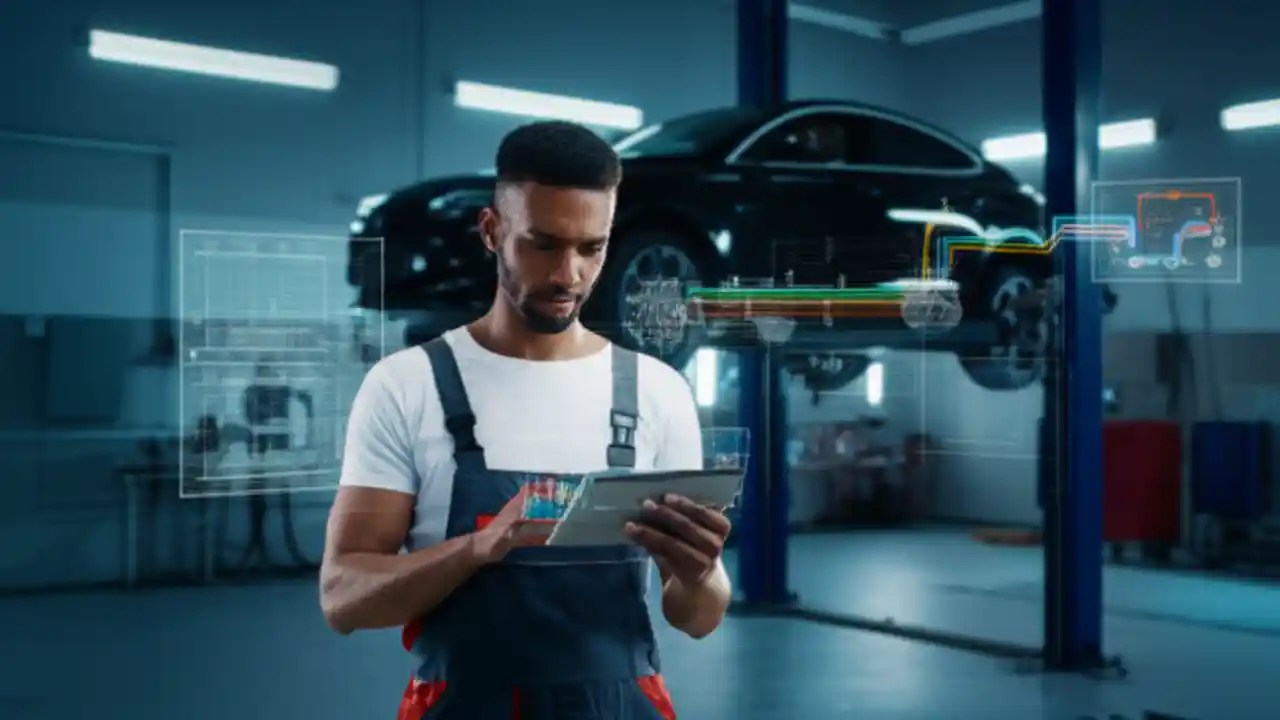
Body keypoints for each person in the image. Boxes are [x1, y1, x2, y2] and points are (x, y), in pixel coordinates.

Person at [320, 120, 733, 720]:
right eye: (543, 245)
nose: (568, 275)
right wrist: (473, 550)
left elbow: (698, 618)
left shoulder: (657, 393)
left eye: (591, 249)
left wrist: (700, 576)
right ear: (491, 231)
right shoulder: (407, 386)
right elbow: (343, 598)